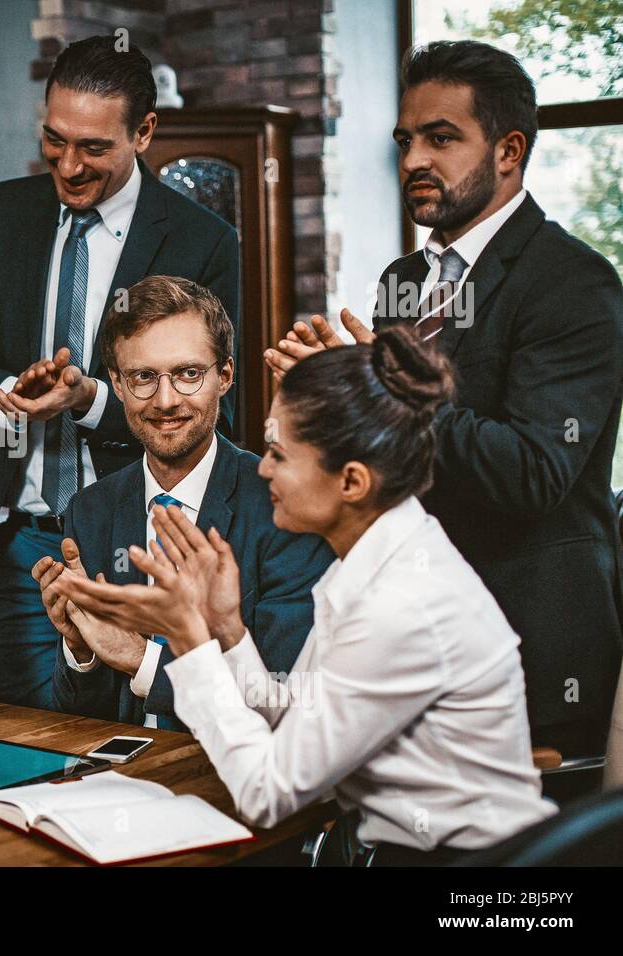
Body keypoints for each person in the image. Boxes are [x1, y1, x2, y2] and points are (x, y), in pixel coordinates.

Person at [57, 326, 557, 864]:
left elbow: (268, 794)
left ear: (352, 482)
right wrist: (227, 628)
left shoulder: (400, 604)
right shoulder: (375, 560)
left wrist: (189, 637)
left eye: (279, 453)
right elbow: (298, 718)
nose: (263, 468)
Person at [264, 40, 623, 760]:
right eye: (405, 141)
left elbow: (533, 472)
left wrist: (383, 383)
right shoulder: (403, 278)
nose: (412, 161)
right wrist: (326, 392)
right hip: (406, 645)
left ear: (509, 149)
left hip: (533, 653)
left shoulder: (575, 283)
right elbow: (396, 452)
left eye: (441, 138)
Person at [0, 35, 241, 709]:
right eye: (54, 140)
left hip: (151, 535)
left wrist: (92, 399)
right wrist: (9, 392)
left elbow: (219, 407)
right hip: (30, 537)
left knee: (140, 733)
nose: (68, 166)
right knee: (22, 735)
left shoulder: (202, 240)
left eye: (93, 148)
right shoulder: (6, 212)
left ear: (145, 132)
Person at [31, 276, 331, 729]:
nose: (166, 400)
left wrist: (139, 658)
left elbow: (284, 705)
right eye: (143, 377)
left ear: (224, 376)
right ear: (116, 382)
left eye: (189, 374)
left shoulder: (284, 506)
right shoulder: (90, 510)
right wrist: (82, 650)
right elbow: (81, 718)